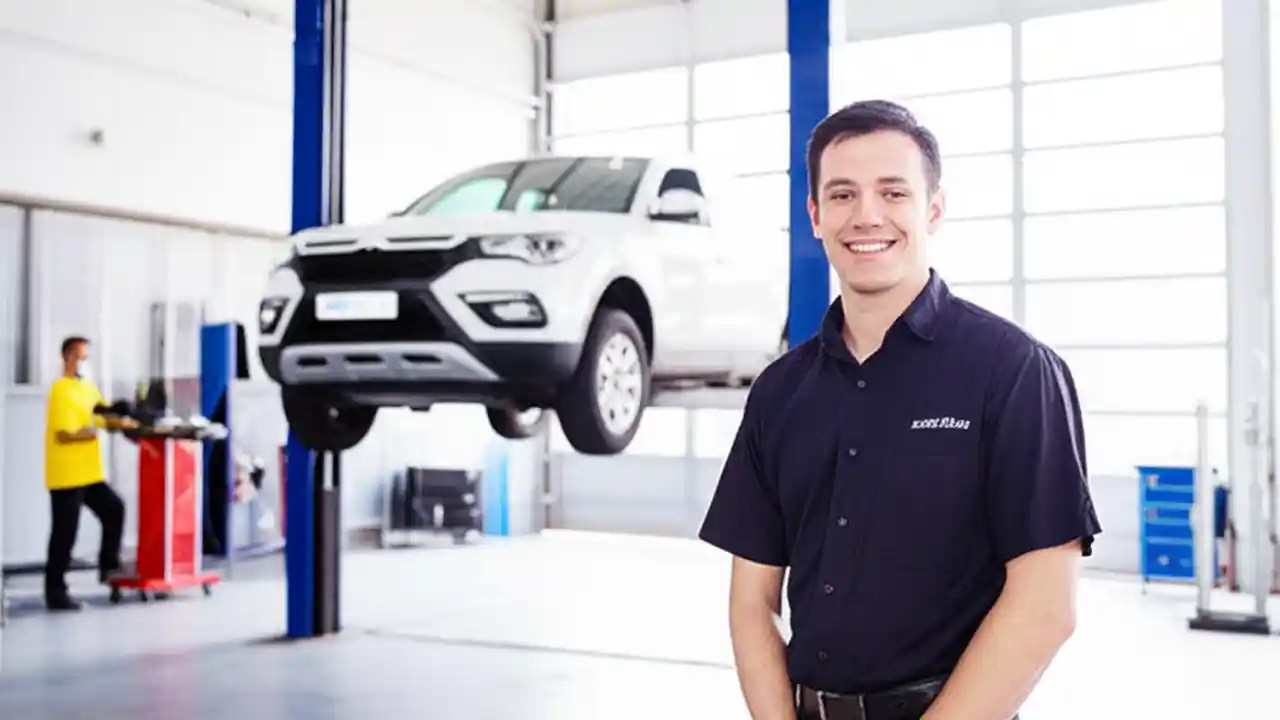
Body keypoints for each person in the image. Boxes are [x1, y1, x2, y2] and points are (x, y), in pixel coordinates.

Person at [698, 100, 1102, 719]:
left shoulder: (1013, 371)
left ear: (933, 208)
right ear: (814, 216)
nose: (866, 215)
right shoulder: (780, 392)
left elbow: (1045, 606)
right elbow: (752, 602)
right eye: (842, 195)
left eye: (893, 192)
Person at [44, 335, 133, 611]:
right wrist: (94, 430)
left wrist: (121, 416)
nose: (86, 362)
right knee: (65, 533)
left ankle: (108, 566)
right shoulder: (61, 390)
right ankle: (55, 591)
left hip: (89, 473)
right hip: (66, 474)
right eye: (82, 357)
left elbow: (101, 414)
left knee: (114, 508)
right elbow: (64, 435)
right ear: (68, 358)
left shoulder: (87, 388)